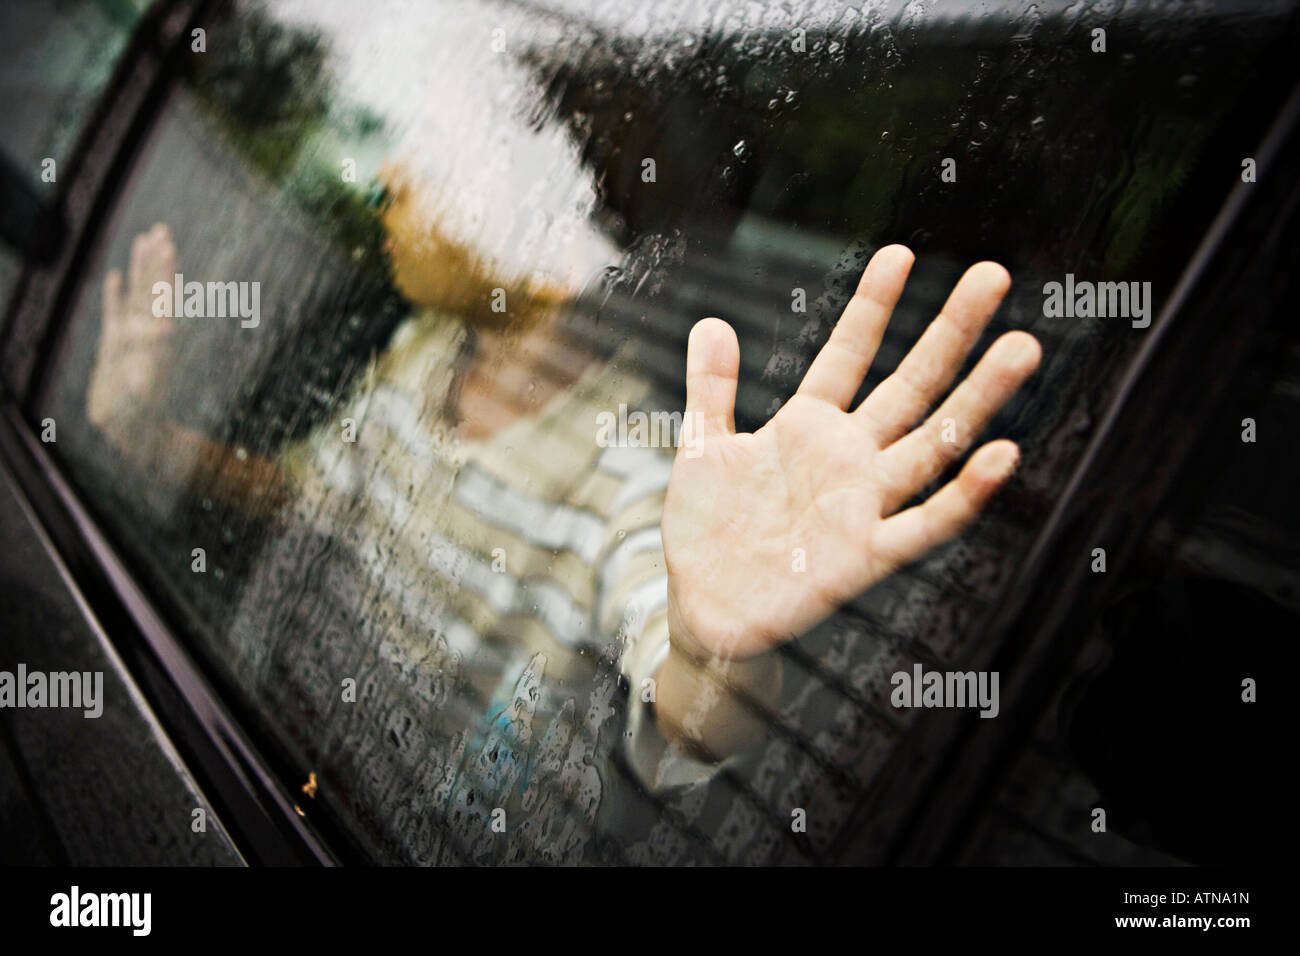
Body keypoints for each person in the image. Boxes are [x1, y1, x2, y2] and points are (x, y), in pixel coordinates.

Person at [87, 194, 1040, 859]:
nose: (391, 186)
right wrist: (146, 435)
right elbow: (310, 491)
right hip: (293, 778)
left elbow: (699, 719)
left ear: (530, 225)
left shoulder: (639, 472)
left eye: (431, 164)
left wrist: (710, 647)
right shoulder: (426, 353)